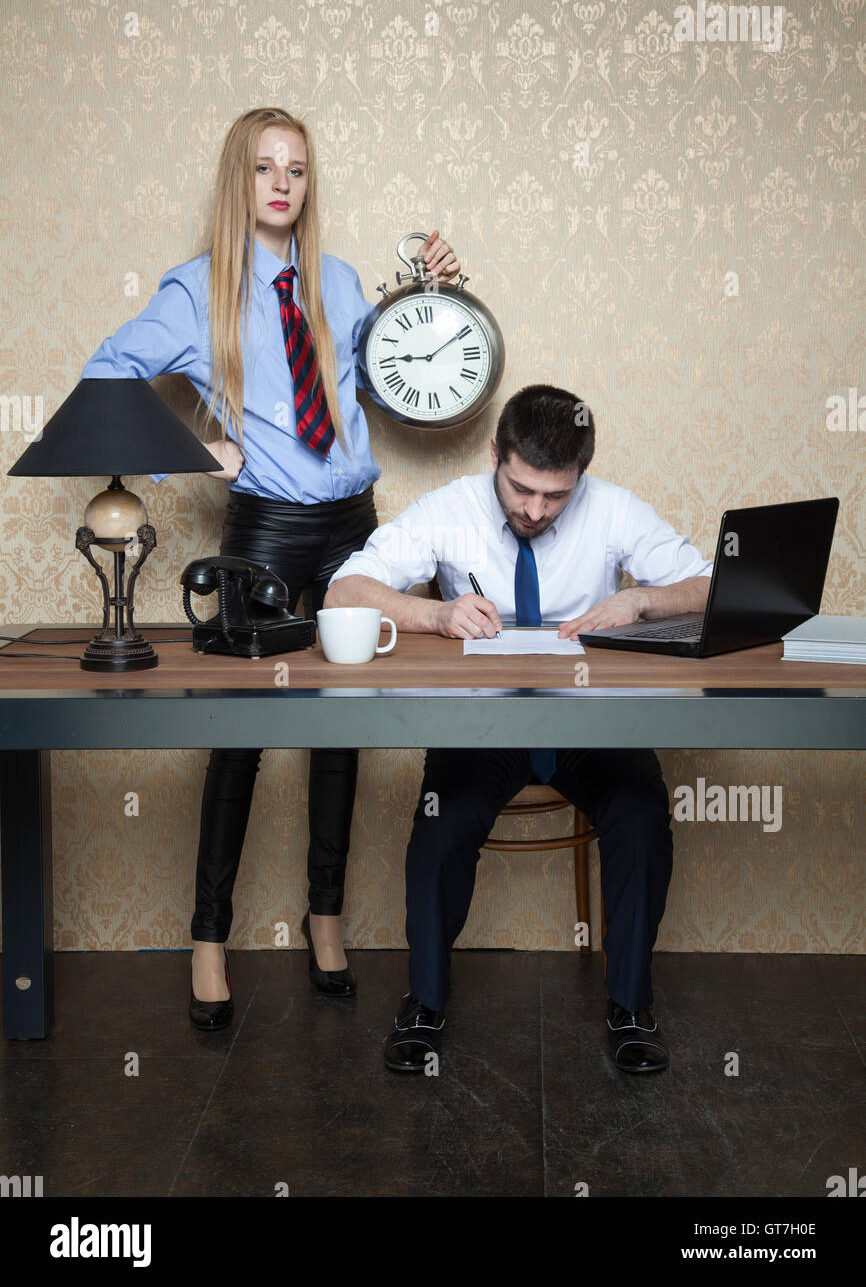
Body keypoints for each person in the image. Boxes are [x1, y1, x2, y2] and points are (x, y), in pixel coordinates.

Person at [80, 105, 461, 1028]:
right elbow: (105, 373)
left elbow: (402, 377)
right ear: (238, 181)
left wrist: (434, 299)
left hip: (351, 527)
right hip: (264, 531)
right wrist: (194, 449)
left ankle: (323, 919)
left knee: (341, 726)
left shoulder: (335, 282)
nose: (282, 182)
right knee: (240, 735)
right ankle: (208, 939)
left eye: (296, 168)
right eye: (264, 167)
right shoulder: (197, 290)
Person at [324, 384, 713, 1074]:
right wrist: (435, 617)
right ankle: (425, 1004)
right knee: (440, 831)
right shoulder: (449, 510)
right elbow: (345, 590)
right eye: (522, 489)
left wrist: (639, 598)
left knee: (644, 815)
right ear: (496, 454)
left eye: (555, 497)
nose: (535, 510)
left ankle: (629, 1006)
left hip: (590, 722)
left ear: (580, 478)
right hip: (483, 723)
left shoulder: (613, 508)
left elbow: (710, 587)